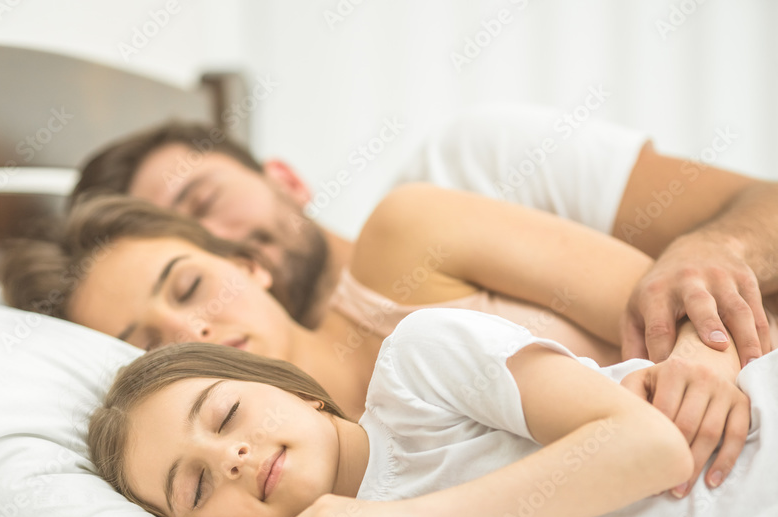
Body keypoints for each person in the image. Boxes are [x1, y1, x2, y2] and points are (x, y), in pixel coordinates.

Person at [2, 186, 771, 495]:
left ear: (247, 264)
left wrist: (707, 353)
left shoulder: (411, 239)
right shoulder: (272, 484)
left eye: (189, 286)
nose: (191, 328)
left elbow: (676, 296)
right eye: (145, 342)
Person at [86, 308, 777, 517]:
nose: (230, 457)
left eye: (226, 413)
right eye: (199, 485)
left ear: (299, 392)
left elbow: (651, 447)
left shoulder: (417, 365)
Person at [69, 107, 778, 367]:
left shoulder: (467, 163)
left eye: (205, 200)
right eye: (187, 246)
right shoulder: (301, 417)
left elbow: (765, 203)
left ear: (284, 176)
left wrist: (715, 250)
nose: (221, 244)